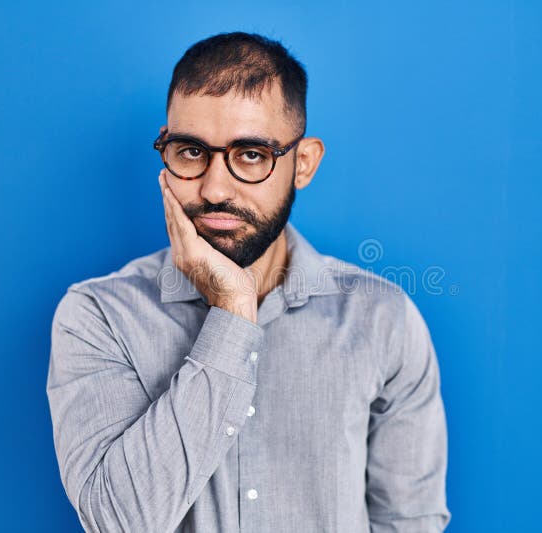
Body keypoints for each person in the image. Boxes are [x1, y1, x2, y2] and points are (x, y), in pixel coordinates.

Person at [46, 31, 451, 532]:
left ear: (302, 163)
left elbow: (409, 521)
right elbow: (119, 522)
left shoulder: (382, 318)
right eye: (191, 151)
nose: (215, 188)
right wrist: (233, 311)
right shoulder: (98, 316)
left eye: (252, 155)